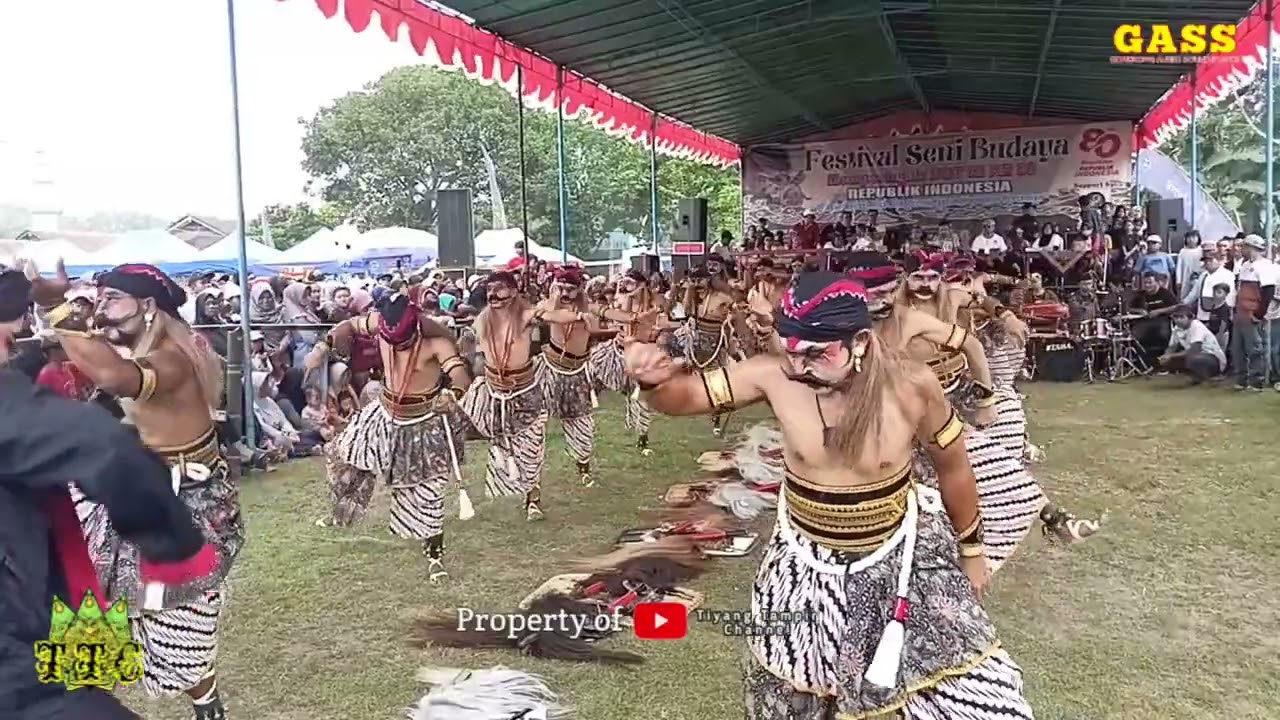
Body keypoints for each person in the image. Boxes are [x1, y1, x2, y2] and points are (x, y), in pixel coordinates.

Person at [625, 272, 1033, 719]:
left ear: (859, 342)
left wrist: (972, 552)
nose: (800, 367)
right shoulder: (774, 375)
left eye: (818, 354)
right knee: (798, 697)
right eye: (793, 351)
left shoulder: (911, 384)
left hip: (900, 563)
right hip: (803, 567)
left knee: (969, 696)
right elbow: (684, 398)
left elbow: (953, 465)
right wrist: (655, 382)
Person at [0, 269, 221, 720]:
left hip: (181, 505)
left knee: (172, 626)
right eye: (98, 299)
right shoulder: (129, 349)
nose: (100, 310)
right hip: (128, 497)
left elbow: (116, 379)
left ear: (148, 306)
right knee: (83, 600)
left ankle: (205, 700)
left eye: (113, 299)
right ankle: (82, 692)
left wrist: (56, 308)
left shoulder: (174, 356)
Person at [307, 288, 472, 581]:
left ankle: (434, 556)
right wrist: (322, 347)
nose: (397, 344)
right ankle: (342, 513)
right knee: (339, 453)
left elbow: (460, 375)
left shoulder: (436, 342)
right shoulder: (378, 321)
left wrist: (453, 393)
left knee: (428, 490)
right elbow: (348, 325)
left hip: (423, 421)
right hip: (382, 413)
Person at [679, 255, 740, 437]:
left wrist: (731, 321)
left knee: (716, 377)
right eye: (695, 280)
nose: (698, 283)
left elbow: (735, 312)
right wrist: (690, 289)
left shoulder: (723, 297)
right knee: (695, 374)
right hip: (697, 339)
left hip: (716, 339)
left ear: (709, 279)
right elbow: (687, 311)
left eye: (701, 280)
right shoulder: (693, 297)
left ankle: (717, 418)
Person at [1231, 234, 1277, 391]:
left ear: (1251, 248)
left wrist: (1259, 314)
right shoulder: (1244, 266)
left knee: (1255, 349)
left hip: (1252, 312)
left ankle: (1256, 381)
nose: (1241, 249)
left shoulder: (1265, 266)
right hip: (1241, 311)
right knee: (1237, 348)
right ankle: (1241, 379)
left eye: (1243, 246)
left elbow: (1268, 292)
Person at [1158, 305, 1226, 384]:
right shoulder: (1177, 328)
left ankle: (1210, 376)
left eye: (1181, 317)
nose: (1178, 320)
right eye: (1176, 317)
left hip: (1213, 358)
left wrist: (1171, 356)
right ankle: (1195, 376)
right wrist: (1166, 355)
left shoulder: (1197, 326)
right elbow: (1172, 346)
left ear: (1190, 318)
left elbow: (1195, 350)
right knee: (1170, 361)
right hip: (1196, 356)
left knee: (1193, 358)